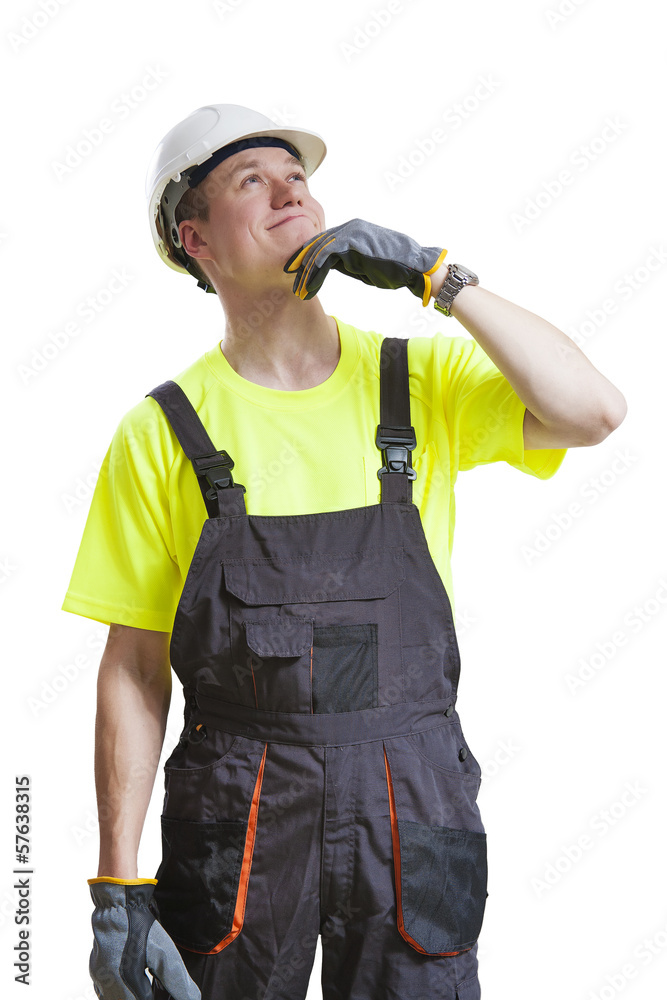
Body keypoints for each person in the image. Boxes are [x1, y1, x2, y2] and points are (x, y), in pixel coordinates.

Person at [63, 104, 627, 1000]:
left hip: (411, 795)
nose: (290, 190)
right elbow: (133, 667)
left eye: (298, 177)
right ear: (194, 239)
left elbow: (593, 412)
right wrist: (116, 883)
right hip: (242, 806)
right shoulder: (161, 431)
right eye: (252, 180)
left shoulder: (419, 382)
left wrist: (437, 277)